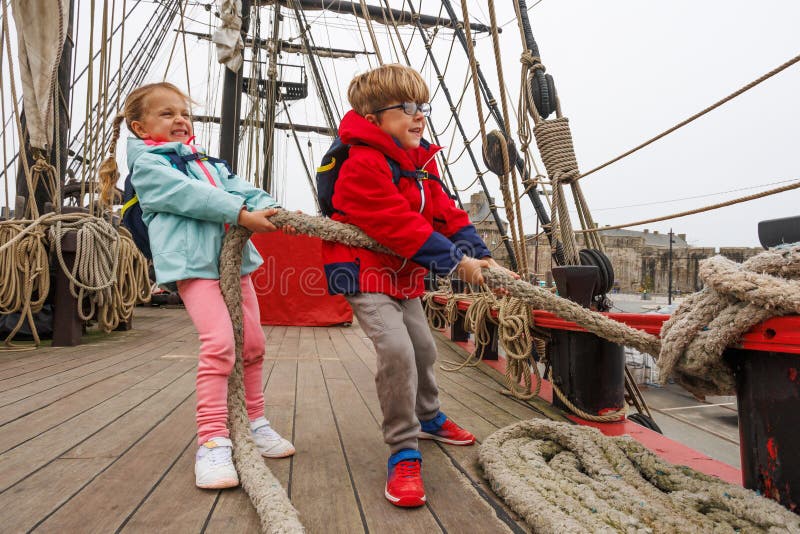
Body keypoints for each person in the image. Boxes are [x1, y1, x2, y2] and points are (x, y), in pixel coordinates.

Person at [321, 64, 517, 507]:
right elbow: (400, 227)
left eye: (421, 106)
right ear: (373, 120)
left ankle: (428, 417)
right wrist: (455, 263)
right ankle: (403, 449)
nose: (419, 115)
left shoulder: (419, 163)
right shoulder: (360, 164)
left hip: (403, 276)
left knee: (425, 349)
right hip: (364, 272)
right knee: (397, 350)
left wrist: (476, 249)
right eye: (406, 108)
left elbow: (447, 213)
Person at [99, 82, 295, 490]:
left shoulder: (208, 162)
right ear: (139, 127)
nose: (180, 119)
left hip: (233, 263)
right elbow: (190, 196)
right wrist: (240, 214)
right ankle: (212, 439)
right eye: (167, 113)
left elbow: (238, 188)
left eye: (183, 113)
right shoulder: (150, 168)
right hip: (194, 268)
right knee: (220, 344)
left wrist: (268, 206)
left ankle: (254, 422)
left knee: (254, 342)